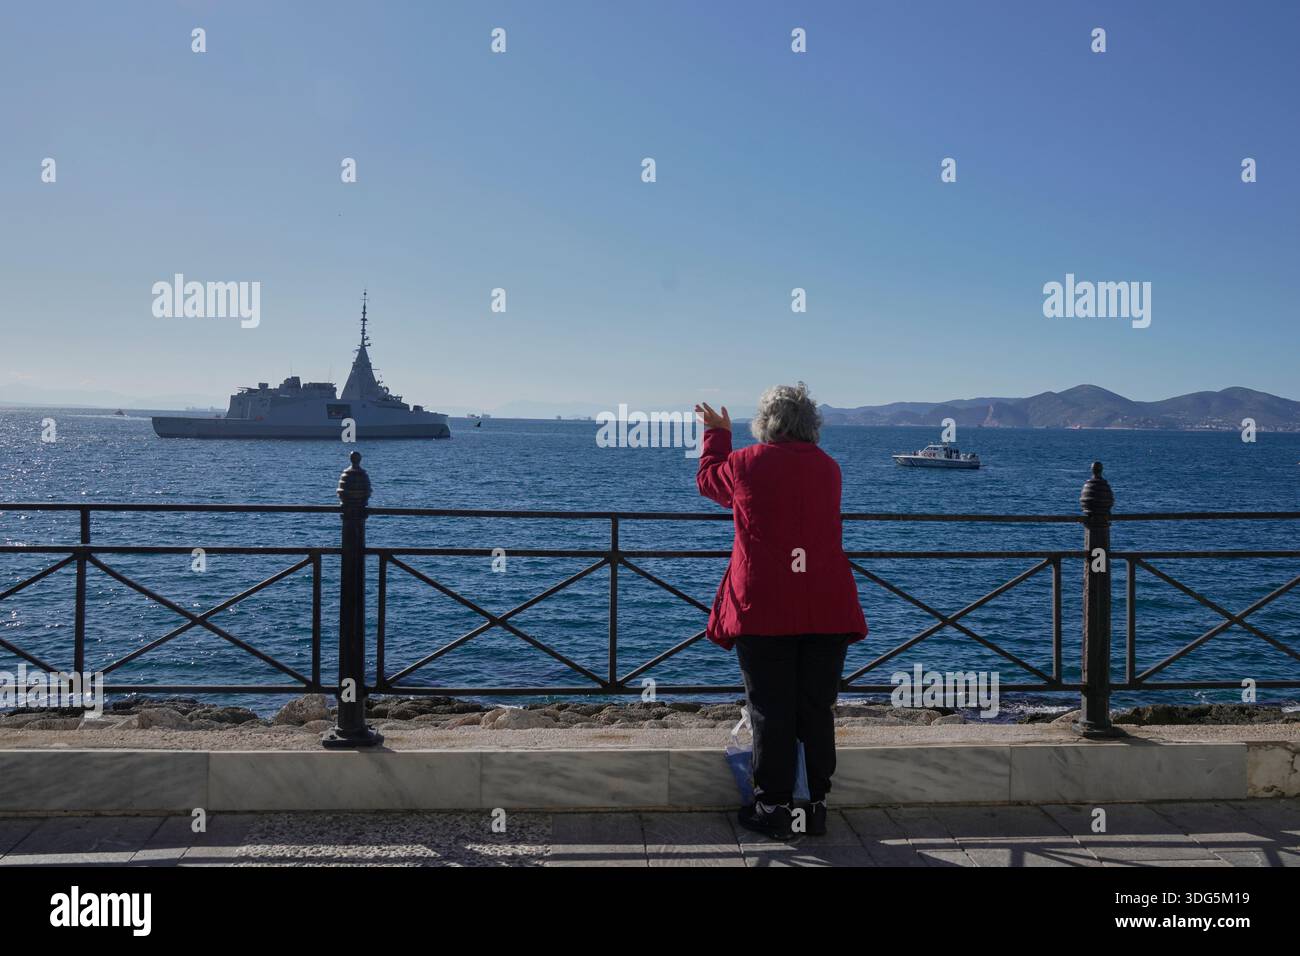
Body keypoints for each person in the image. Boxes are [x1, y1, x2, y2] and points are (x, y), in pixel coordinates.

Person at [695, 383, 867, 840]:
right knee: (816, 707)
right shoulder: (829, 469)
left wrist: (717, 434)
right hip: (826, 607)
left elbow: (710, 481)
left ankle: (772, 807)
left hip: (765, 608)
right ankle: (813, 807)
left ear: (764, 424)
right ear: (812, 424)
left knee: (770, 708)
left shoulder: (747, 463)